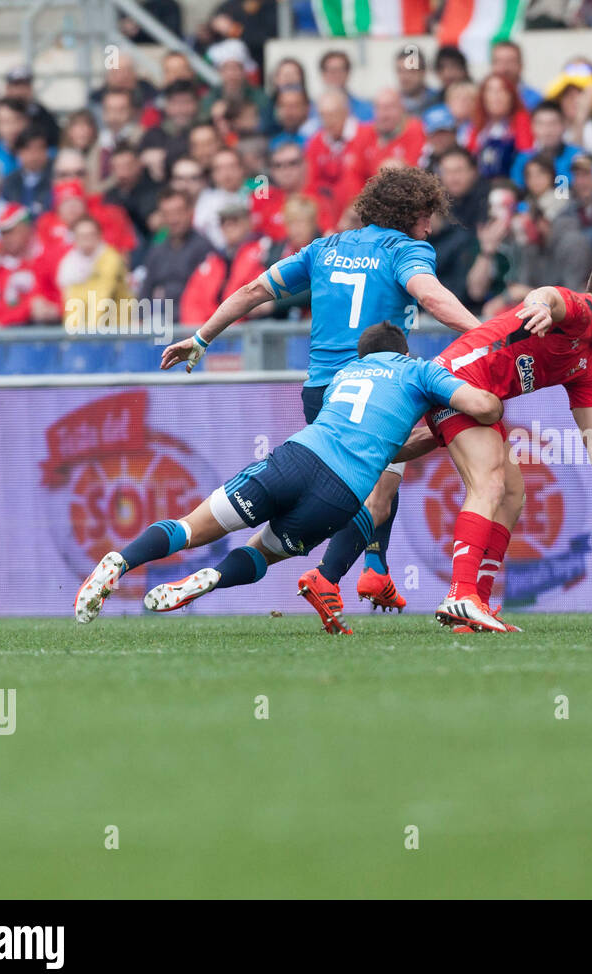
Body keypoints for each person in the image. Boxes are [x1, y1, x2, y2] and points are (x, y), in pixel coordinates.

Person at [159, 167, 484, 632]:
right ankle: (332, 575)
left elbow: (253, 290)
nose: (430, 228)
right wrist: (488, 336)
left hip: (321, 389)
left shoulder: (325, 246)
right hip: (376, 383)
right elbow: (431, 296)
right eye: (427, 217)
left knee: (371, 480)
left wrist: (202, 338)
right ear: (410, 214)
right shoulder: (406, 249)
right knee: (373, 491)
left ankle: (373, 569)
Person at [75, 322, 503, 625]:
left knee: (190, 527)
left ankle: (120, 561)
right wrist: (475, 414)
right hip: (339, 495)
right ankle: (212, 579)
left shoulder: (344, 375)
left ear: (362, 356)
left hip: (296, 459)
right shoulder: (419, 370)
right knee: (261, 552)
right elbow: (479, 408)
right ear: (402, 351)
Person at [405, 262, 592, 632]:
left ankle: (477, 606)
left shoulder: (586, 364)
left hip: (476, 396)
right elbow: (551, 296)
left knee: (512, 494)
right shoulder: (580, 310)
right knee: (489, 485)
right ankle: (461, 594)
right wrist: (538, 305)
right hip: (457, 382)